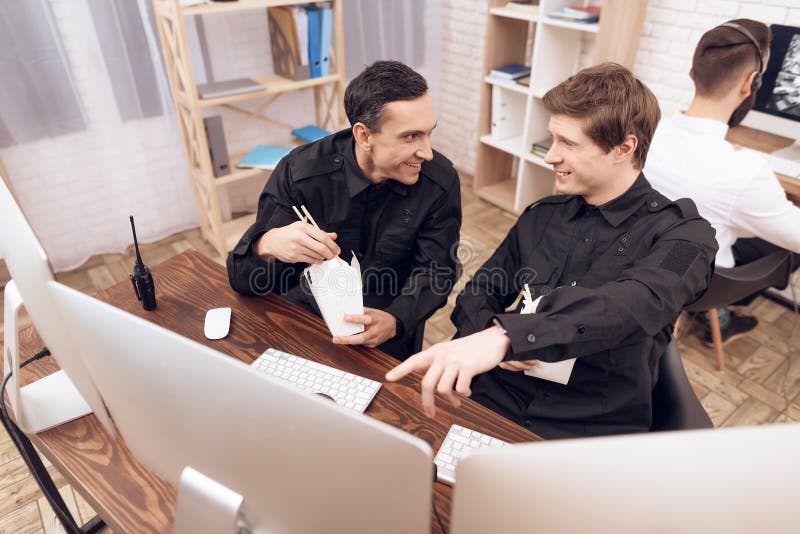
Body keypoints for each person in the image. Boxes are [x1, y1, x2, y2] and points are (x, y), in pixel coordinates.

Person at [387, 63, 718, 440]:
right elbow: (481, 291)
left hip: (588, 425)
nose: (550, 156)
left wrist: (511, 336)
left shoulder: (686, 237)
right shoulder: (542, 217)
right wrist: (486, 330)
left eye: (569, 144)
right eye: (553, 139)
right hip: (494, 396)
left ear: (624, 148)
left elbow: (634, 301)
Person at [227, 60, 461, 360]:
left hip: (387, 332)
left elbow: (437, 269)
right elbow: (241, 278)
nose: (427, 152)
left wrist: (396, 321)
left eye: (429, 133)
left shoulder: (438, 182)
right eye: (410, 136)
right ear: (364, 136)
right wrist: (267, 245)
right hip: (306, 322)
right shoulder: (300, 173)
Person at [645, 19, 800, 345]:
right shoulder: (744, 169)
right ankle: (721, 316)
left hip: (645, 257)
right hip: (700, 280)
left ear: (693, 72)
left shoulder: (648, 129)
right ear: (750, 83)